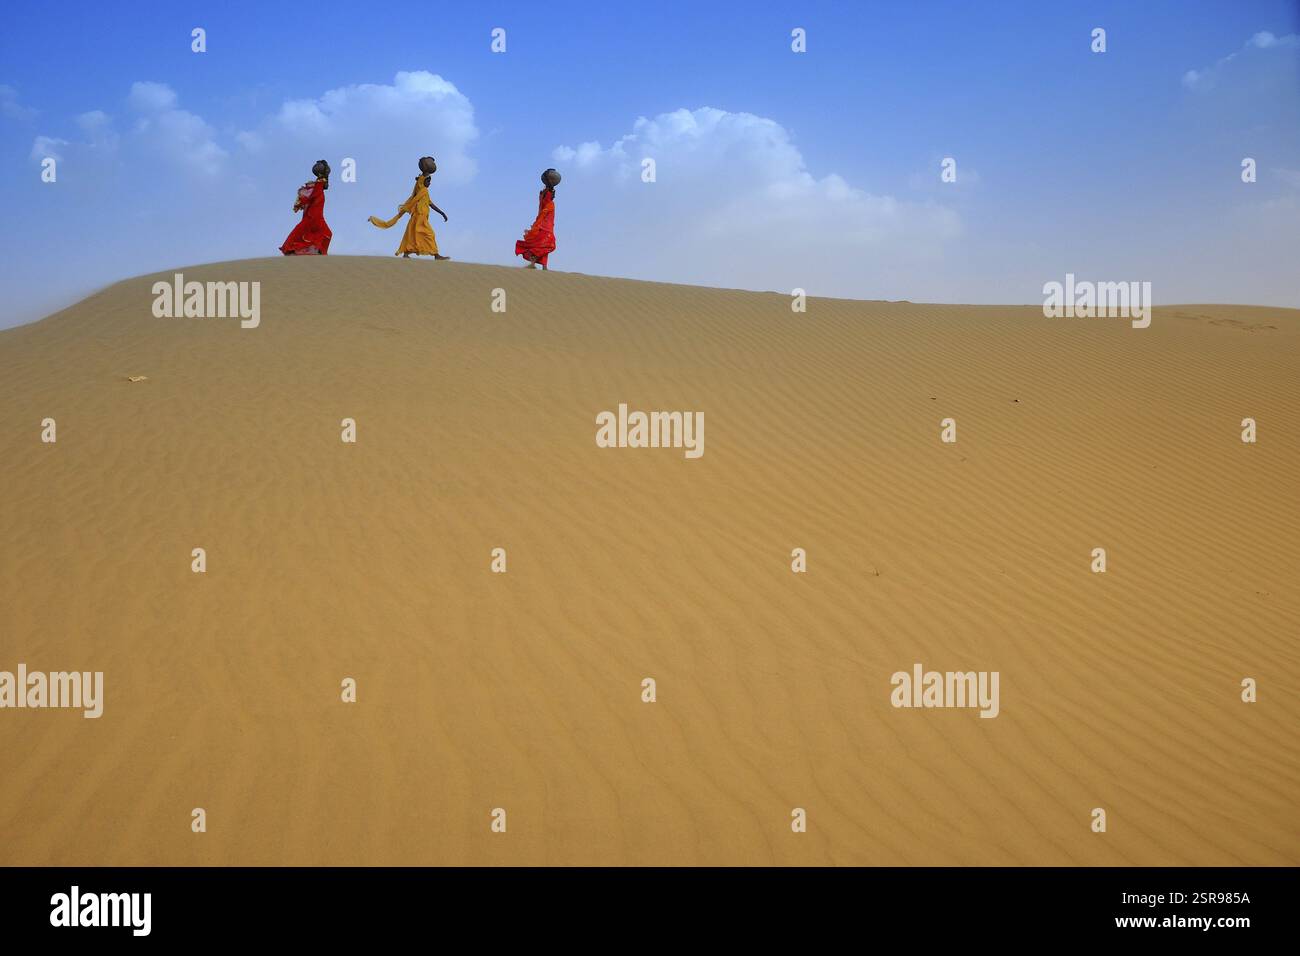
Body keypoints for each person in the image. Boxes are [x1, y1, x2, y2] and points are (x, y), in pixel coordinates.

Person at [367, 156, 450, 259]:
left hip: (419, 215)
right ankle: (436, 255)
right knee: (429, 234)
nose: (430, 183)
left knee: (412, 233)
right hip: (419, 215)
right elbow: (417, 194)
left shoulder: (423, 191)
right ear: (424, 181)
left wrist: (441, 213)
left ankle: (407, 253)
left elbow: (430, 203)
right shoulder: (423, 190)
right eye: (428, 181)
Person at [280, 160, 333, 255]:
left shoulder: (317, 185)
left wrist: (301, 201)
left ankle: (314, 252)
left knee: (320, 233)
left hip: (315, 216)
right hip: (315, 217)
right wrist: (301, 201)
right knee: (325, 233)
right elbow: (312, 196)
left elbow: (311, 195)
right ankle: (314, 252)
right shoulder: (318, 185)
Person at [515, 168, 560, 269]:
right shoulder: (548, 201)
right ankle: (535, 261)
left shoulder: (545, 195)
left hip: (545, 225)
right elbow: (544, 210)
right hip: (544, 226)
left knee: (542, 245)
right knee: (548, 245)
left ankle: (541, 265)